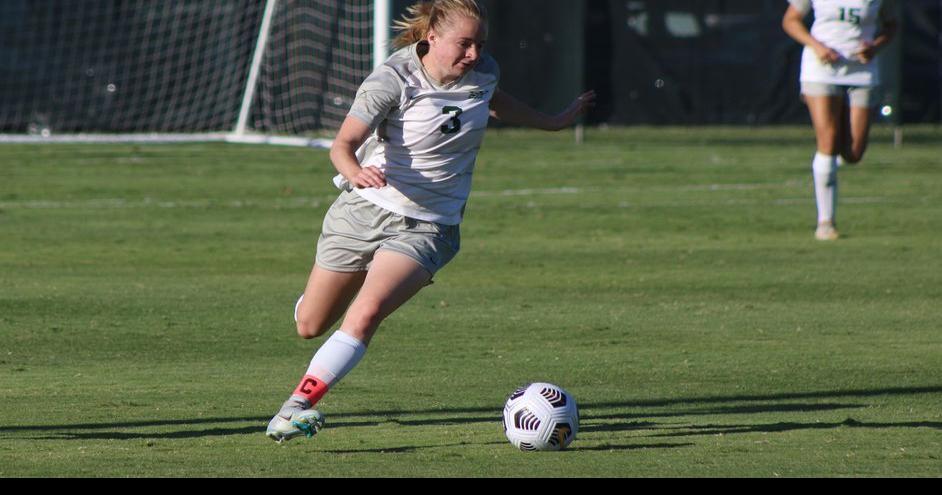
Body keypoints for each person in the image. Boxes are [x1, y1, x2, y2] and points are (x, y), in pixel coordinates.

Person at [266, 0, 596, 443]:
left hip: (428, 225)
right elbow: (342, 145)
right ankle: (317, 307)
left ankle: (295, 407)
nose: (474, 54)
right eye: (464, 44)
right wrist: (355, 171)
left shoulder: (484, 71)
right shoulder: (392, 79)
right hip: (363, 209)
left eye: (480, 44)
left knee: (365, 314)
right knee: (310, 324)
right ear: (432, 39)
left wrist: (552, 122)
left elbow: (493, 100)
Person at [782, 0, 897, 241]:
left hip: (861, 70)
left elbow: (891, 25)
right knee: (828, 141)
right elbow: (790, 21)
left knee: (853, 153)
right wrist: (817, 46)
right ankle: (825, 223)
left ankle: (834, 150)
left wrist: (874, 47)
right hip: (822, 67)